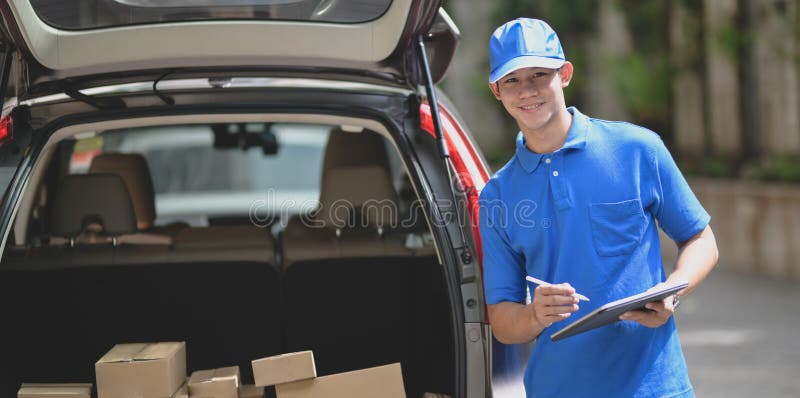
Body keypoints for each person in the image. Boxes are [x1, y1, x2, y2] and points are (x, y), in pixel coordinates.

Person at [478, 18, 719, 397]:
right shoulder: (496, 196)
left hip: (655, 387)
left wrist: (672, 291)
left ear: (565, 74)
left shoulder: (638, 149)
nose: (527, 90)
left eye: (539, 73)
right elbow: (503, 322)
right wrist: (534, 315)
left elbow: (701, 238)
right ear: (496, 90)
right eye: (512, 80)